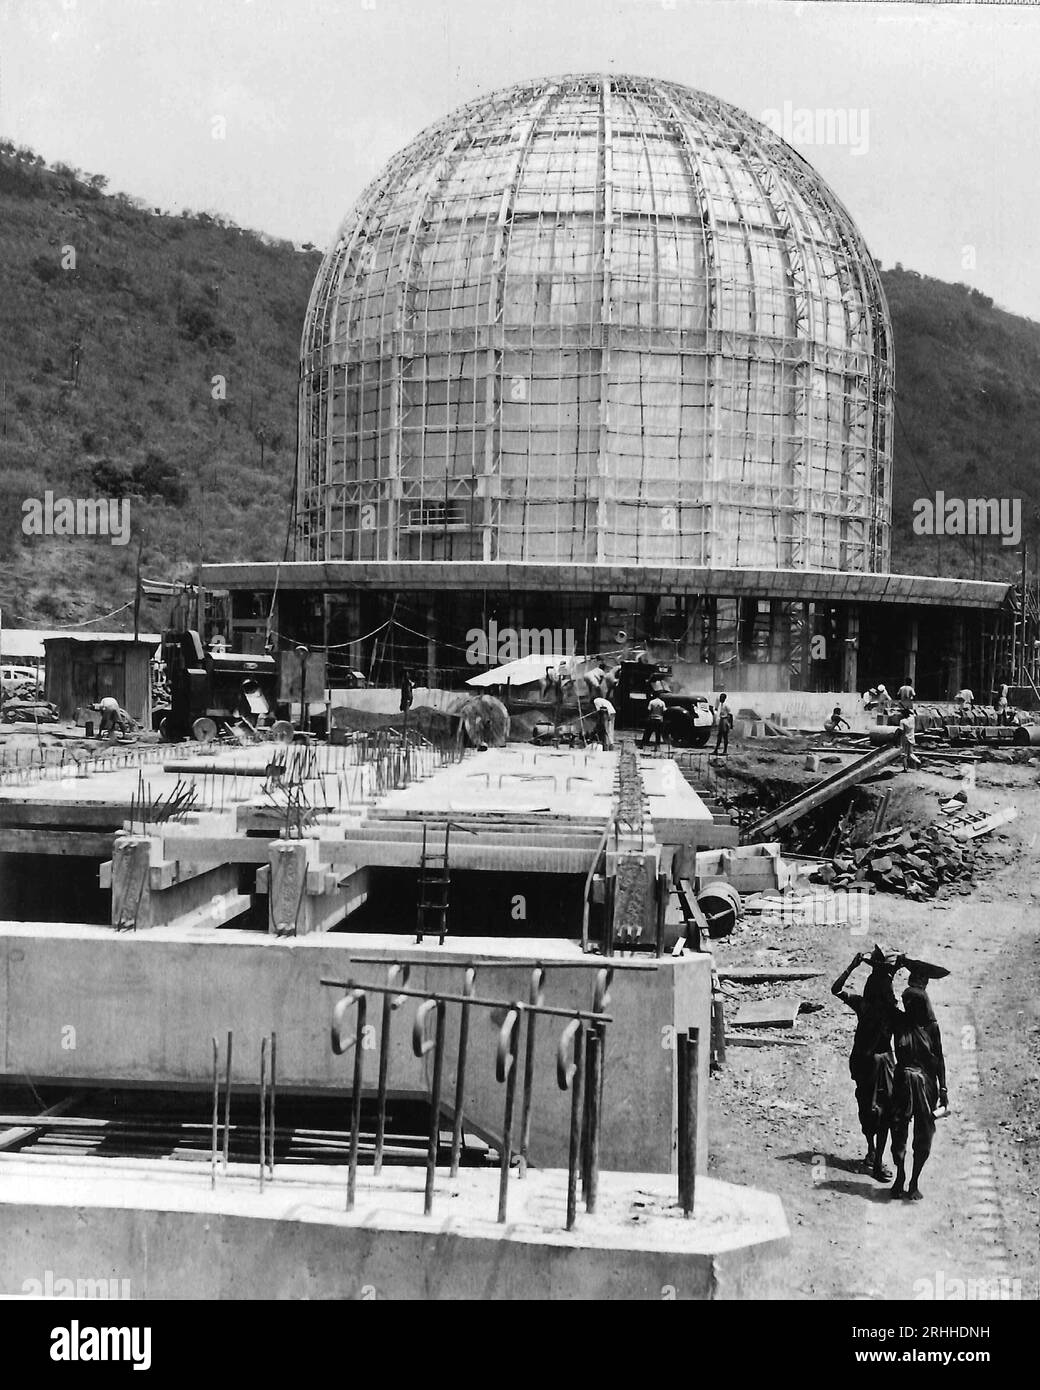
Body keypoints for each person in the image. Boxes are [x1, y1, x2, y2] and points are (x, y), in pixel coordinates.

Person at [831, 947, 899, 1181]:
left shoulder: (866, 1005)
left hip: (872, 1063)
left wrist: (853, 967)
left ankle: (877, 1157)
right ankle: (874, 1154)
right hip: (874, 1064)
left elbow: (836, 989)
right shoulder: (883, 1009)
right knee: (876, 1111)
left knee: (875, 1111)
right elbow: (836, 990)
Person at [888, 961, 949, 1201]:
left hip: (922, 1084)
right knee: (901, 1131)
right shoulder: (901, 1019)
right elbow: (885, 995)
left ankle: (911, 1180)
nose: (911, 1003)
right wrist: (890, 968)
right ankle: (903, 1177)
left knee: (917, 1134)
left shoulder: (928, 1026)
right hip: (910, 1080)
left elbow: (939, 1057)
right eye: (909, 1001)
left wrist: (943, 1089)